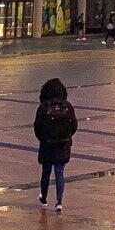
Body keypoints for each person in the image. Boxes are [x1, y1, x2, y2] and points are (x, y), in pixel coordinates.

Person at [33, 76, 78, 210]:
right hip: (62, 145)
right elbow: (74, 125)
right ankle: (59, 202)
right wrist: (67, 136)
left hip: (47, 144)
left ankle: (44, 198)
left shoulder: (44, 106)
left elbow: (37, 126)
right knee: (59, 172)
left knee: (46, 172)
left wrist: (43, 138)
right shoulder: (67, 106)